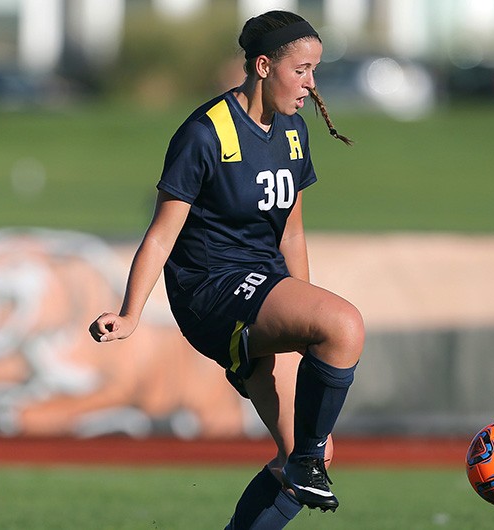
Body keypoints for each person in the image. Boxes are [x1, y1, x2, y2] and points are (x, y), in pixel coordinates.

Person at [88, 11, 363, 528]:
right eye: (301, 69)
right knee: (344, 324)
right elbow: (162, 233)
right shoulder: (205, 133)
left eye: (315, 70)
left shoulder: (294, 133)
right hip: (211, 292)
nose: (311, 84)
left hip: (263, 288)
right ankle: (306, 462)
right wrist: (129, 315)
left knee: (303, 459)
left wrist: (302, 317)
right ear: (264, 66)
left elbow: (292, 234)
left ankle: (302, 463)